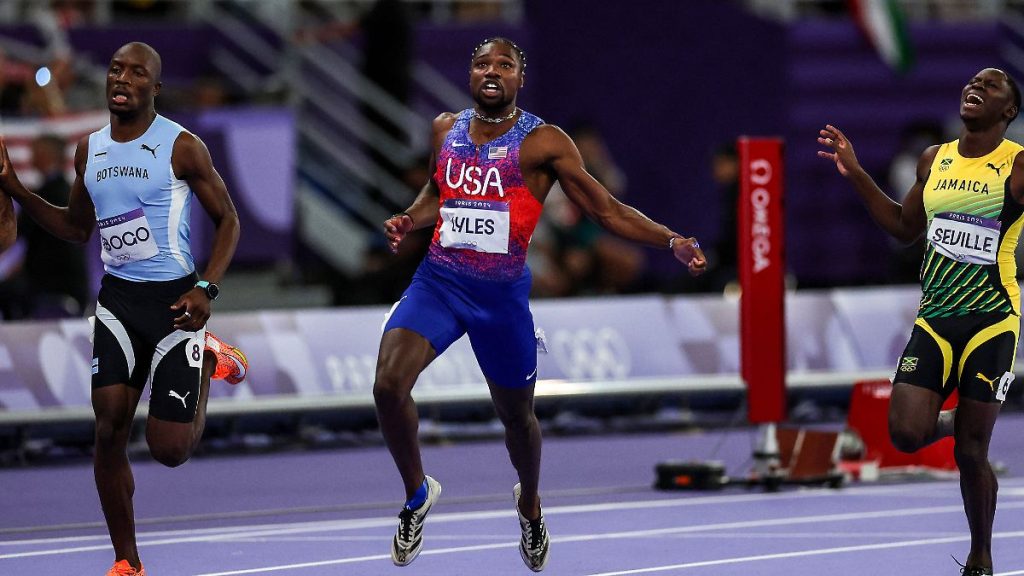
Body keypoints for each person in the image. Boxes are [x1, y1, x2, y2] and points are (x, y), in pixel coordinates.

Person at [376, 37, 706, 571]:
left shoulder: (544, 143)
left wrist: (669, 239)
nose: (492, 71)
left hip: (500, 298)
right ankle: (417, 493)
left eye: (504, 64)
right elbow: (438, 194)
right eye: (482, 63)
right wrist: (409, 219)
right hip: (438, 282)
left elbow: (606, 210)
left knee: (517, 419)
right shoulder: (445, 128)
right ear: (470, 74)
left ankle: (529, 503)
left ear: (518, 78)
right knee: (388, 385)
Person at [0, 42, 249, 576]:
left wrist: (208, 288)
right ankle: (127, 561)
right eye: (116, 69)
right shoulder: (90, 150)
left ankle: (206, 361)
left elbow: (229, 220)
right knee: (109, 426)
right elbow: (76, 228)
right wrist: (14, 189)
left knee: (169, 450)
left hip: (176, 302)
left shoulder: (181, 147)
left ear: (154, 89)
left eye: (138, 73)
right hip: (117, 300)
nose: (123, 78)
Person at [818, 67, 1023, 576]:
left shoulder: (1018, 165)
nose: (975, 87)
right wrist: (858, 173)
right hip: (935, 318)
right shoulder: (935, 160)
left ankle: (980, 556)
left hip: (991, 320)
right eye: (973, 81)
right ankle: (960, 417)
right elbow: (904, 228)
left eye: (992, 85)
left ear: (1009, 112)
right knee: (906, 434)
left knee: (971, 452)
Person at [0, 134, 88, 319]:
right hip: (66, 282)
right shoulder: (66, 191)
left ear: (45, 155)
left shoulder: (47, 195)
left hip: (54, 283)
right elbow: (42, 245)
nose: (30, 157)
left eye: (34, 151)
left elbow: (18, 232)